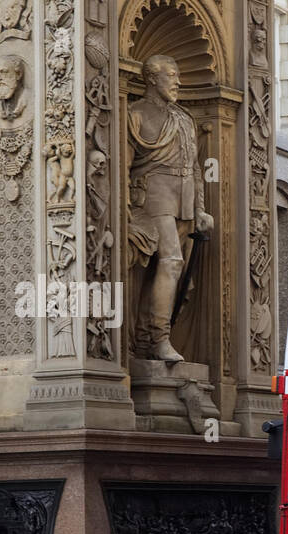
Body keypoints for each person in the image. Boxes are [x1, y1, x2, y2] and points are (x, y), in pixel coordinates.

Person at [127, 54, 214, 362]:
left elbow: (194, 169)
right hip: (152, 198)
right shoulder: (134, 114)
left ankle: (149, 337)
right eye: (172, 75)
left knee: (173, 271)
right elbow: (123, 166)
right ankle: (159, 339)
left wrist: (200, 210)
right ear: (152, 78)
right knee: (172, 262)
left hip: (184, 204)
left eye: (178, 75)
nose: (178, 81)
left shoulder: (184, 118)